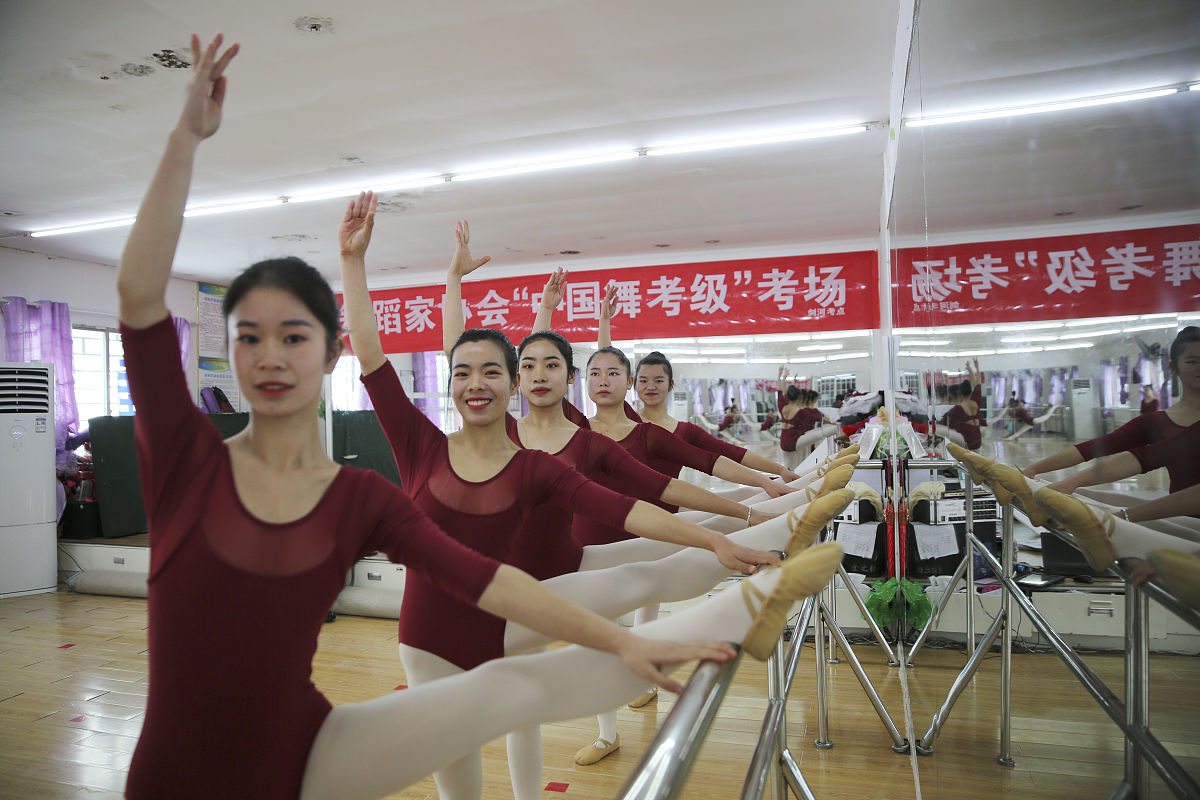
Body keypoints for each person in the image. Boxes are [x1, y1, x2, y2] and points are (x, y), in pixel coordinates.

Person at [115, 34, 842, 800]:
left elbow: (496, 575)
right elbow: (139, 298)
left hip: (307, 748)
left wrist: (626, 638)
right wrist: (187, 139)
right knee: (538, 675)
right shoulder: (194, 462)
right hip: (191, 770)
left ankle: (756, 584)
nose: (271, 357)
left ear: (326, 356)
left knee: (539, 670)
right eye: (250, 338)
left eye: (294, 337)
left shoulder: (371, 495)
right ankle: (761, 555)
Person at [341, 203, 854, 798]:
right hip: (430, 640)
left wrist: (717, 536)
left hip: (515, 609)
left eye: (494, 373)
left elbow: (631, 509)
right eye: (462, 374)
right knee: (461, 780)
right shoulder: (421, 446)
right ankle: (768, 540)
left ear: (513, 385)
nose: (476, 383)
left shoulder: (535, 464)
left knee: (625, 599)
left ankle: (762, 571)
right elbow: (373, 355)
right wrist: (357, 262)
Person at [1023, 327, 1200, 478]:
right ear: (1173, 368)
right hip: (1182, 510)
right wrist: (1033, 469)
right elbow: (1093, 448)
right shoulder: (1156, 422)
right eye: (1192, 362)